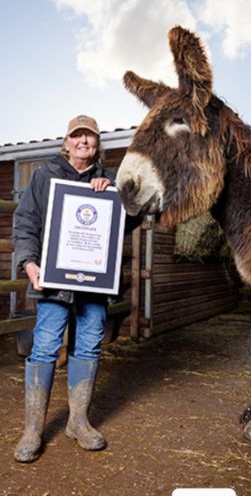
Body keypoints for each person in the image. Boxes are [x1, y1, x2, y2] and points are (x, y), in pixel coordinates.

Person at [12, 114, 114, 462]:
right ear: (66, 142)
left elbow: (126, 219)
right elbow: (25, 221)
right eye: (77, 136)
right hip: (54, 284)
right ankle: (33, 429)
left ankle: (78, 421)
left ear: (97, 144)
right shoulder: (45, 175)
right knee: (44, 348)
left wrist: (113, 194)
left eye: (90, 137)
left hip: (93, 286)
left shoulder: (109, 181)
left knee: (88, 346)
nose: (84, 141)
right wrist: (29, 262)